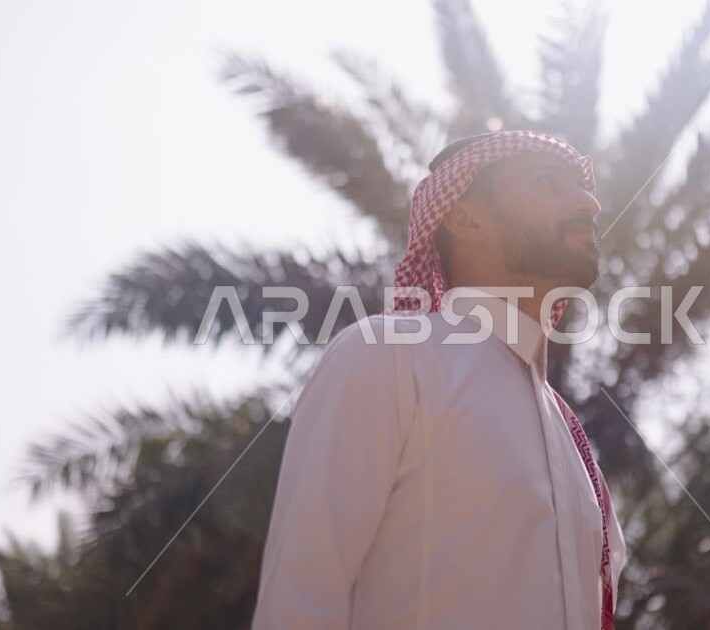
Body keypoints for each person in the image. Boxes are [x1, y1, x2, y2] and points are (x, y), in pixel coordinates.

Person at [252, 130, 626, 630]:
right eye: (548, 183)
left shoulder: (573, 442)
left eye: (582, 187)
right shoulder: (390, 356)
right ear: (466, 217)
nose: (591, 203)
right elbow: (299, 598)